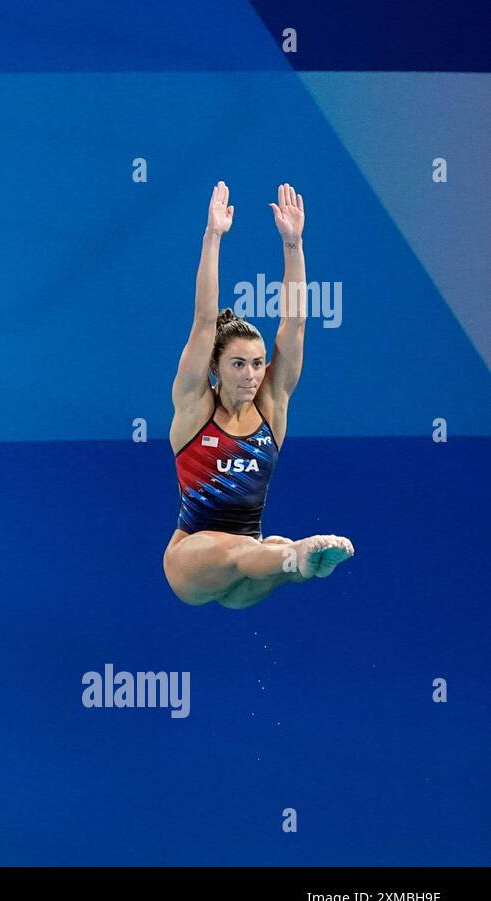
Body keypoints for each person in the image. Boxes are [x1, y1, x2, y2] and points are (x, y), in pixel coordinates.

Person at [163, 181, 353, 609]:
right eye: (238, 364)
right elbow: (203, 319)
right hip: (190, 561)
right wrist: (213, 237)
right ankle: (295, 557)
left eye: (257, 363)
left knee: (265, 550)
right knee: (258, 551)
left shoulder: (272, 407)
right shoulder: (196, 406)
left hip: (247, 572)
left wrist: (293, 244)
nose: (251, 375)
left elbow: (296, 323)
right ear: (215, 368)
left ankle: (292, 558)